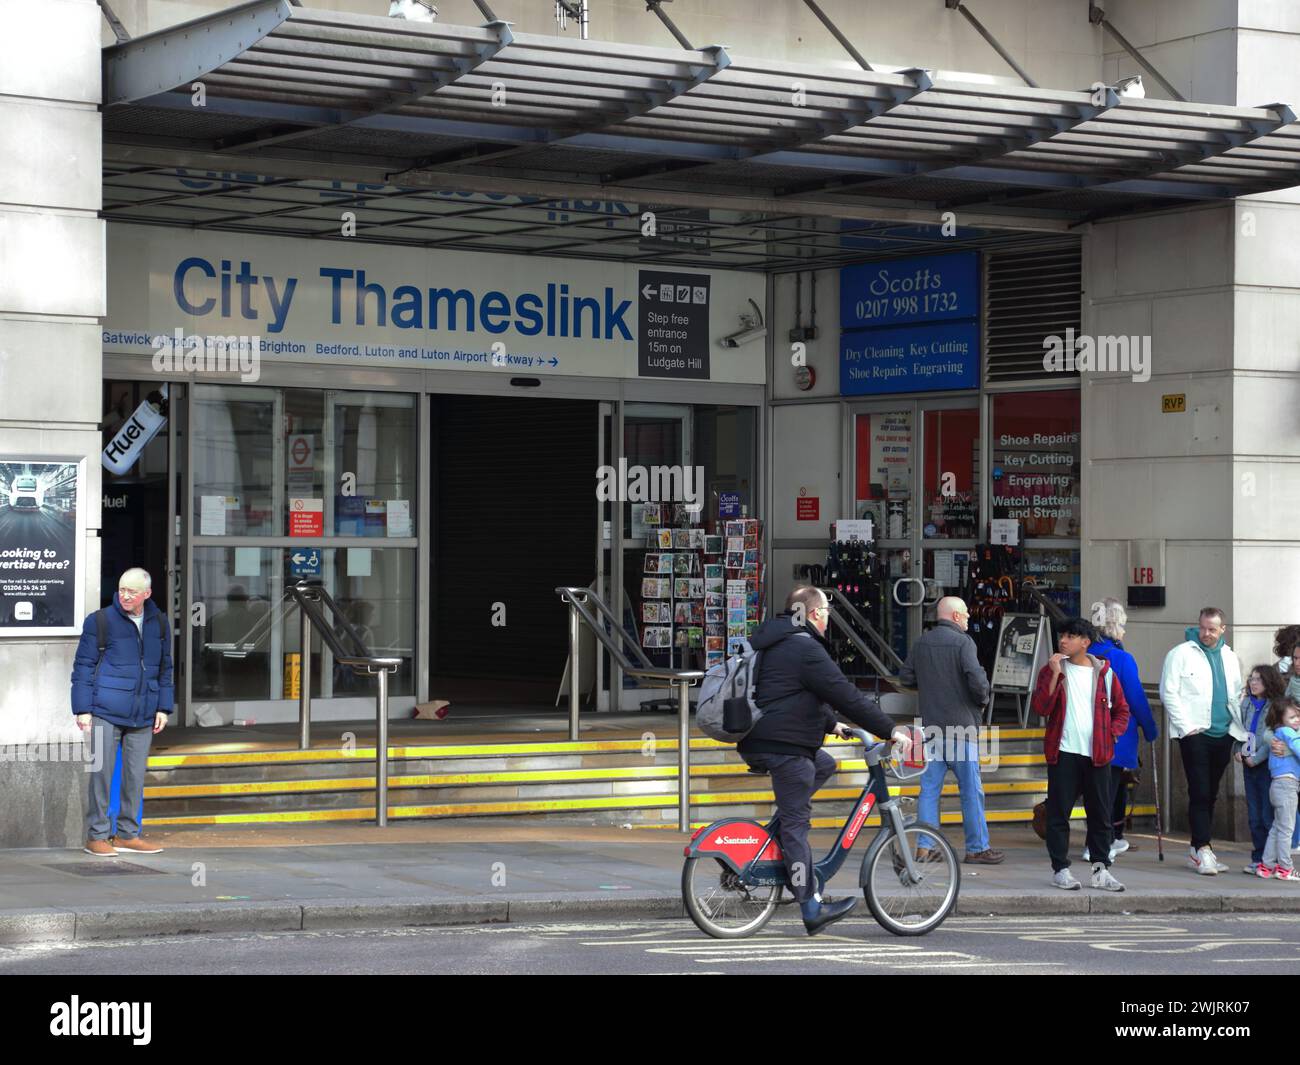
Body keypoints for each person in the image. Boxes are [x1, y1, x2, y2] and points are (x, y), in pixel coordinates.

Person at [740, 586, 914, 935]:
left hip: (766, 737)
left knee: (824, 765)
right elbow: (845, 693)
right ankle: (810, 905)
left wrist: (830, 723)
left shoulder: (774, 640)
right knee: (797, 824)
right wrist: (888, 729)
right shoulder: (805, 648)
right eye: (827, 614)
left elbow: (793, 692)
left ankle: (783, 841)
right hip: (783, 746)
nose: (827, 620)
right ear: (815, 613)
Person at [70, 567, 173, 856]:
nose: (125, 596)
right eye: (122, 590)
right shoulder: (100, 621)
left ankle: (128, 834)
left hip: (144, 712)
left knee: (135, 775)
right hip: (105, 710)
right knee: (101, 775)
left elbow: (166, 668)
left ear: (146, 594)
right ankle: (97, 836)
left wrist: (164, 707)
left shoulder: (160, 623)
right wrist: (82, 709)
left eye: (132, 592)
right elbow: (83, 667)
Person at [898, 596, 1002, 865]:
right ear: (955, 616)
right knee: (971, 790)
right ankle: (977, 848)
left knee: (929, 790)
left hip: (930, 727)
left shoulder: (921, 642)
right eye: (966, 614)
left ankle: (925, 848)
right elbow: (978, 682)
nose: (969, 617)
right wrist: (982, 700)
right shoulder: (963, 642)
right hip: (961, 729)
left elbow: (906, 677)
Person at [1031, 617, 1130, 892]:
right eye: (1062, 635)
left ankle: (1100, 869)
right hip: (1063, 752)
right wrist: (1052, 673)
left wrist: (1113, 733)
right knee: (1059, 813)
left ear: (1085, 642)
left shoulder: (1104, 673)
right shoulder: (1053, 670)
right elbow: (1041, 707)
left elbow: (1122, 709)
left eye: (1070, 636)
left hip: (1097, 752)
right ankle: (1060, 869)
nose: (1063, 640)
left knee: (1100, 814)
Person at [1159, 607, 1247, 875]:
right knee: (1199, 790)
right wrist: (1186, 728)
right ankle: (1203, 847)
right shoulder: (1180, 654)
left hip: (1224, 733)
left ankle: (1198, 849)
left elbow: (1236, 692)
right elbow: (1168, 692)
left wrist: (1237, 730)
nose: (1206, 633)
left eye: (1212, 629)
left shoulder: (1230, 657)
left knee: (1211, 792)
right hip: (1194, 733)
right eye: (1203, 628)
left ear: (1223, 629)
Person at [1086, 599, 1158, 864]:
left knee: (1099, 789)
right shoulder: (1122, 658)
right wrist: (1150, 729)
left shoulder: (1085, 653)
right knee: (1112, 788)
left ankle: (1104, 838)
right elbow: (1136, 697)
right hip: (1116, 734)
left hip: (1087, 734)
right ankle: (1103, 841)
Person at [1240, 665, 1285, 876]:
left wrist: (1256, 758)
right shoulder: (1247, 703)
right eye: (1251, 678)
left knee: (1267, 815)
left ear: (1268, 682)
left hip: (1265, 766)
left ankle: (1271, 859)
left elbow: (1274, 737)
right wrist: (1237, 751)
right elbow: (1238, 729)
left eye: (1258, 679)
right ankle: (1258, 857)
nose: (1253, 682)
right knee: (1254, 815)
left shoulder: (1274, 706)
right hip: (1248, 764)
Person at [1261, 698, 1300, 881]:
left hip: (1277, 785)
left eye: (1297, 716)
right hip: (1287, 786)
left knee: (1277, 828)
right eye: (1292, 717)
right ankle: (1285, 867)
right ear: (1281, 718)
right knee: (1286, 829)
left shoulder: (1278, 732)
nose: (1296, 720)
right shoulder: (1288, 732)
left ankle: (1266, 865)